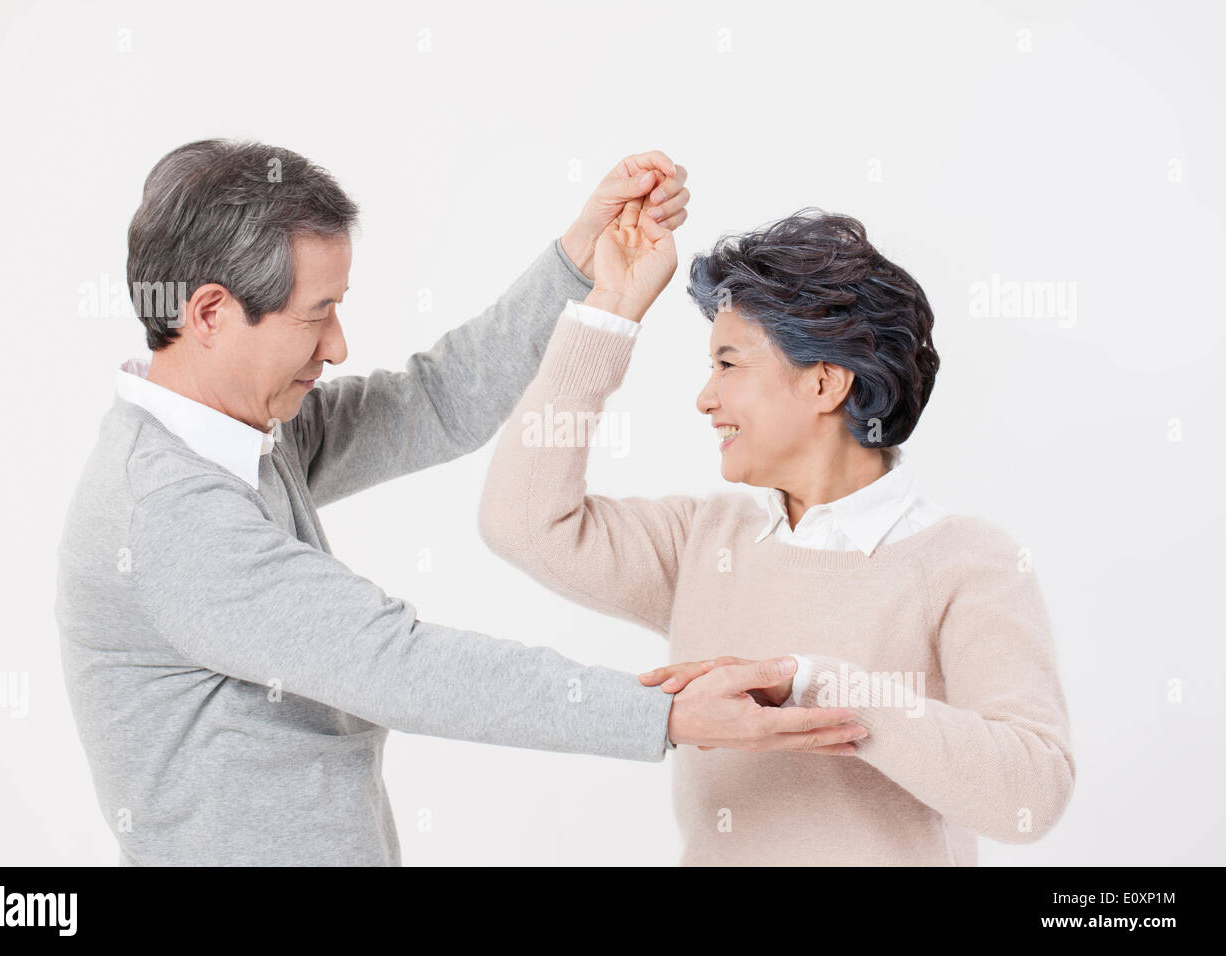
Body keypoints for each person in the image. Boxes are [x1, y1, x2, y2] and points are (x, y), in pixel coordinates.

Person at [54, 140, 861, 866]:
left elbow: (434, 401)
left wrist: (579, 262)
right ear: (209, 314)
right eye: (317, 314)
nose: (337, 346)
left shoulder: (246, 434)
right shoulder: (169, 511)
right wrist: (668, 714)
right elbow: (395, 664)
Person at [478, 198, 1076, 865]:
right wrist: (610, 308)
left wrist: (815, 684)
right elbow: (522, 520)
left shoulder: (968, 561)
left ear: (823, 383)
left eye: (729, 365)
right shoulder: (703, 539)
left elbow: (1033, 791)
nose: (705, 398)